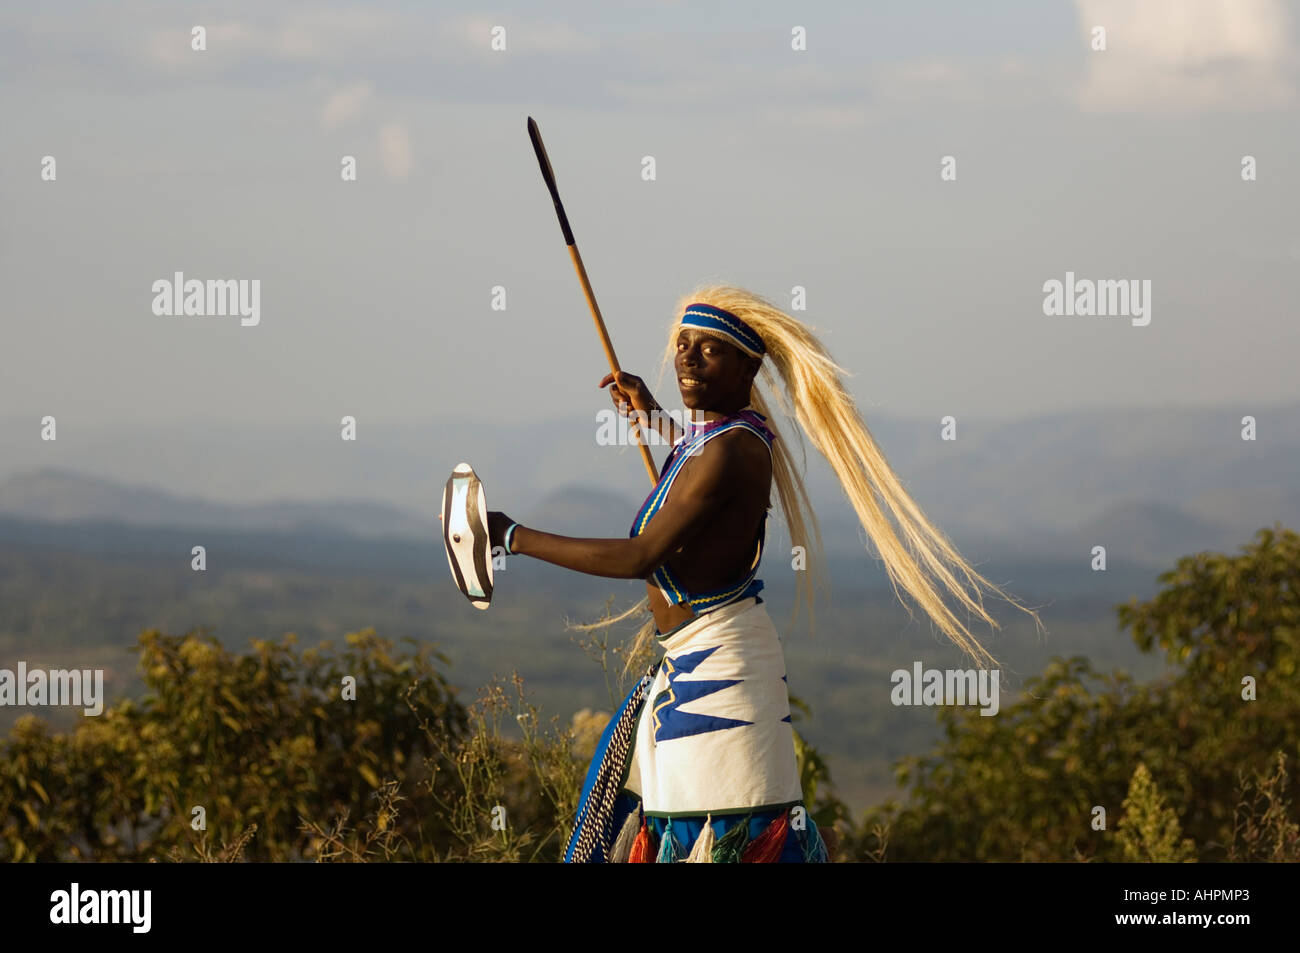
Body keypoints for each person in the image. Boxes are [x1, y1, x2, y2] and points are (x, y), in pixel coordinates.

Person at [486, 285, 1043, 863]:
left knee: (712, 836)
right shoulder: (725, 441)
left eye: (709, 348)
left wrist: (511, 536)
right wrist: (655, 418)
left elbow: (640, 557)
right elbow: (698, 461)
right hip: (701, 671)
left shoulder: (731, 449)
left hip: (718, 684)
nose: (688, 356)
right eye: (682, 344)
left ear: (748, 366)